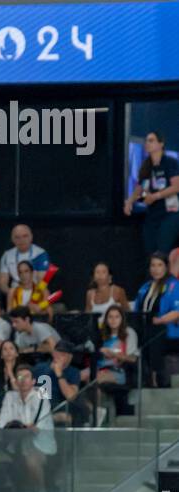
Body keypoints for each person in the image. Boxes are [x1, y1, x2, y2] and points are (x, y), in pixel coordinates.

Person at [0, 363, 56, 492]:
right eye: (20, 377)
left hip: (40, 442)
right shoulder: (10, 396)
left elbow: (38, 426)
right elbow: (2, 422)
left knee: (31, 459)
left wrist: (20, 425)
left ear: (33, 381)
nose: (23, 380)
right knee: (23, 458)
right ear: (16, 381)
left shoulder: (42, 396)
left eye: (27, 377)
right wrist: (23, 426)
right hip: (15, 442)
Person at [124, 130, 179, 256]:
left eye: (151, 140)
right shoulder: (146, 166)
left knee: (162, 251)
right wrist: (130, 201)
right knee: (150, 251)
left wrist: (155, 196)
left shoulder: (170, 162)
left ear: (161, 144)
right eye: (146, 141)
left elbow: (176, 187)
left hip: (170, 213)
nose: (147, 143)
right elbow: (140, 188)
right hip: (153, 215)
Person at [133, 252, 179, 387]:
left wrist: (159, 321)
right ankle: (149, 381)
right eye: (153, 265)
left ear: (166, 267)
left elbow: (177, 311)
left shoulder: (174, 285)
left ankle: (159, 382)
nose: (156, 269)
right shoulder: (145, 287)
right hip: (146, 333)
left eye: (159, 265)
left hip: (167, 335)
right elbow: (137, 311)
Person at [0, 224, 50, 297]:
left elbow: (42, 281)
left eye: (25, 236)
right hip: (15, 293)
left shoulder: (40, 254)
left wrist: (33, 298)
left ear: (31, 237)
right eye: (17, 237)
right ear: (12, 239)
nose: (21, 240)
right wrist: (12, 294)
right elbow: (2, 283)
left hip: (36, 292)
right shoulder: (7, 255)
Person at [96, 307, 139, 389]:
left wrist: (113, 354)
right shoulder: (101, 334)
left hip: (118, 370)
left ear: (122, 319)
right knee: (80, 376)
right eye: (110, 317)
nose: (113, 320)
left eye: (117, 317)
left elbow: (133, 358)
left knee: (95, 378)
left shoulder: (129, 332)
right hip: (99, 368)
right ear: (106, 319)